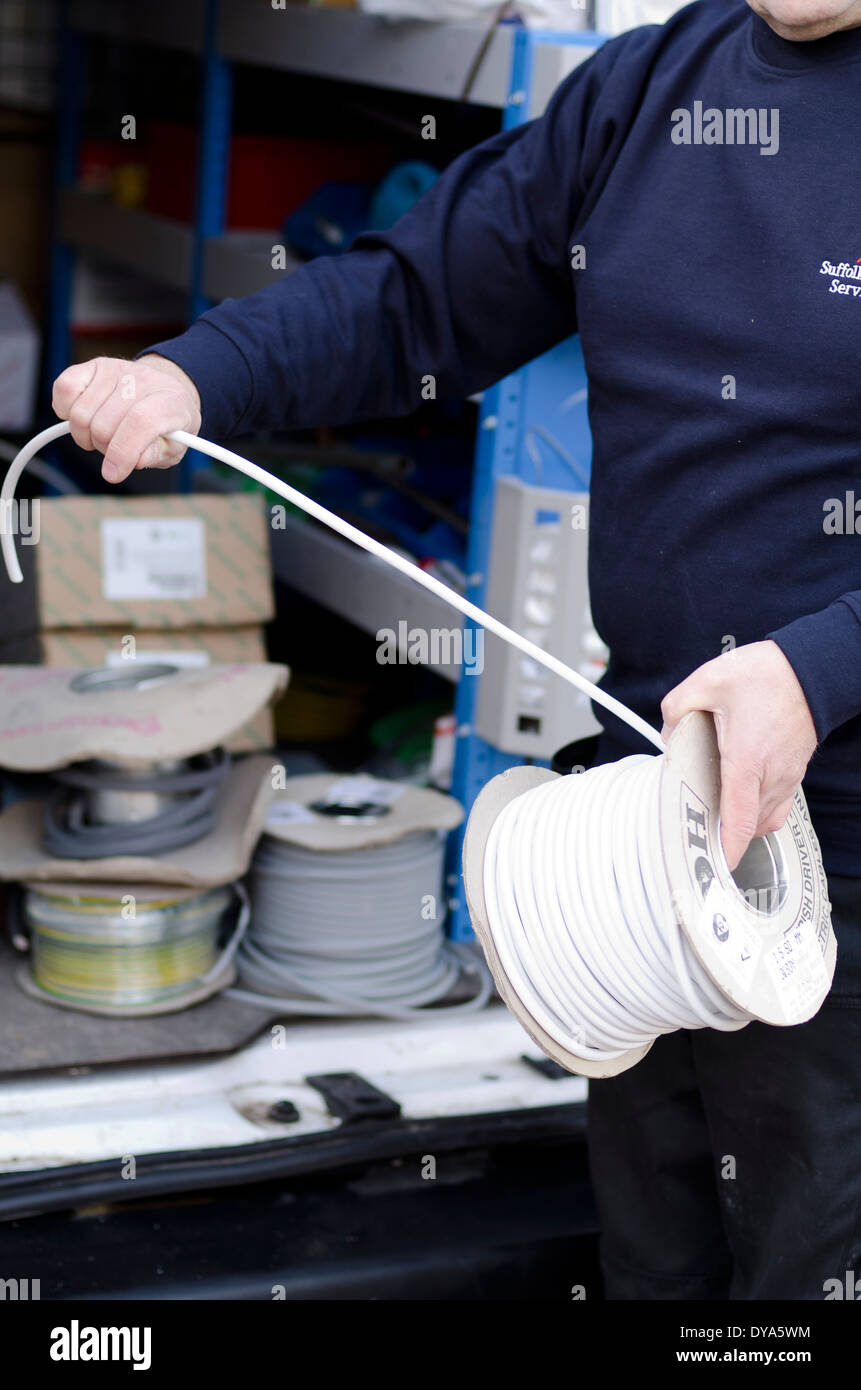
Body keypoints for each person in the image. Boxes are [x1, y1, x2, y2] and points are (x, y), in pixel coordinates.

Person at [52, 0, 861, 1299]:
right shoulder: (653, 86)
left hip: (839, 877)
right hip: (653, 837)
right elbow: (412, 298)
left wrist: (816, 668)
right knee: (662, 1270)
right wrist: (196, 376)